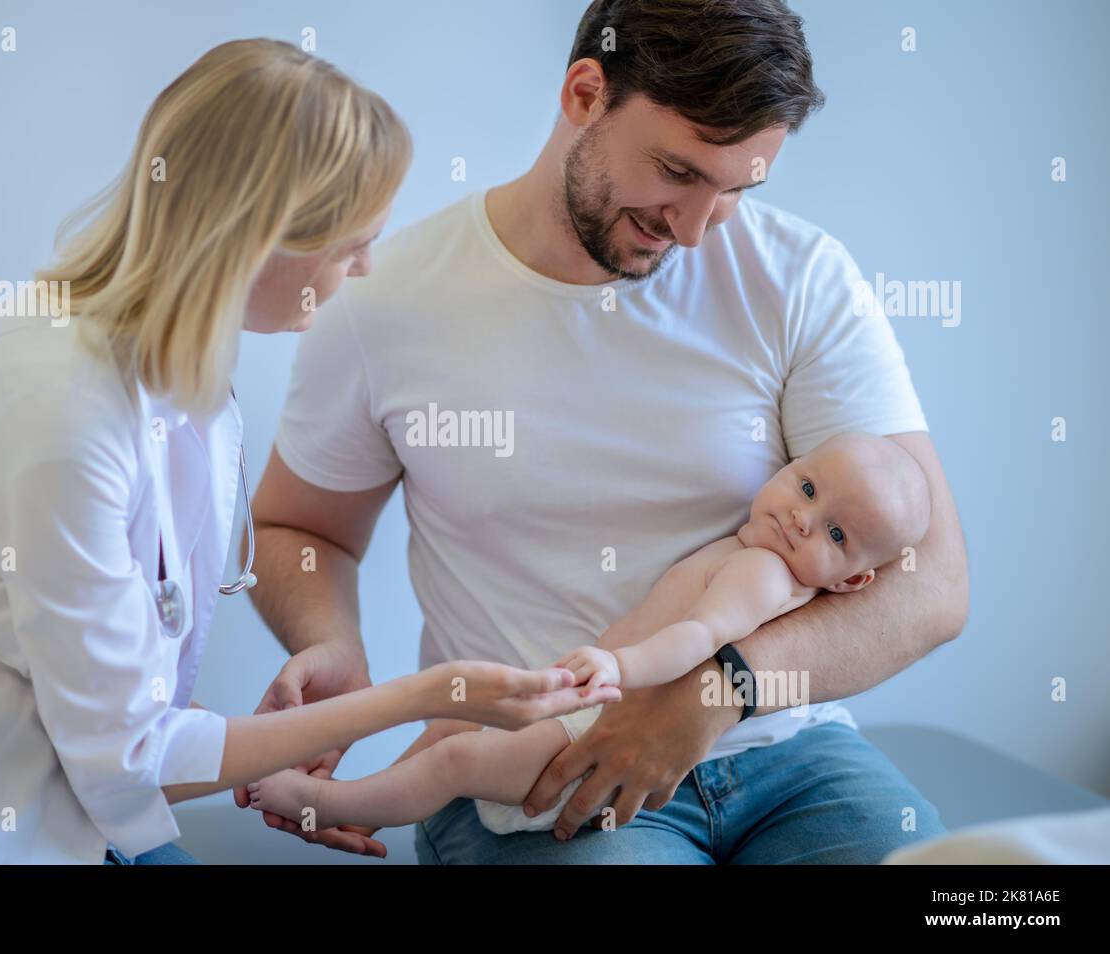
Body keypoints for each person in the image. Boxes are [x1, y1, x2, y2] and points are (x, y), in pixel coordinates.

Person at [0, 39, 615, 865]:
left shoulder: (179, 384)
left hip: (71, 814)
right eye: (351, 244)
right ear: (259, 236)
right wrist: (424, 697)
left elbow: (121, 716)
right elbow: (128, 759)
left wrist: (294, 728)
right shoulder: (53, 409)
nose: (366, 267)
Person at [244, 0, 969, 863]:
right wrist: (332, 645)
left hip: (789, 753)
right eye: (677, 171)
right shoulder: (381, 298)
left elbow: (930, 583)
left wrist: (710, 696)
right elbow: (298, 527)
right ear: (585, 93)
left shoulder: (801, 278)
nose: (694, 229)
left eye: (736, 191)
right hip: (536, 768)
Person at [246, 432, 934, 835]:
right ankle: (370, 805)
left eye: (836, 534)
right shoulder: (758, 548)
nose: (804, 519)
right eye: (807, 488)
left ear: (852, 581)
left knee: (456, 761)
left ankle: (329, 803)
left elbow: (699, 639)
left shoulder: (762, 572)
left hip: (609, 720)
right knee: (453, 724)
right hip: (592, 701)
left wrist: (619, 666)